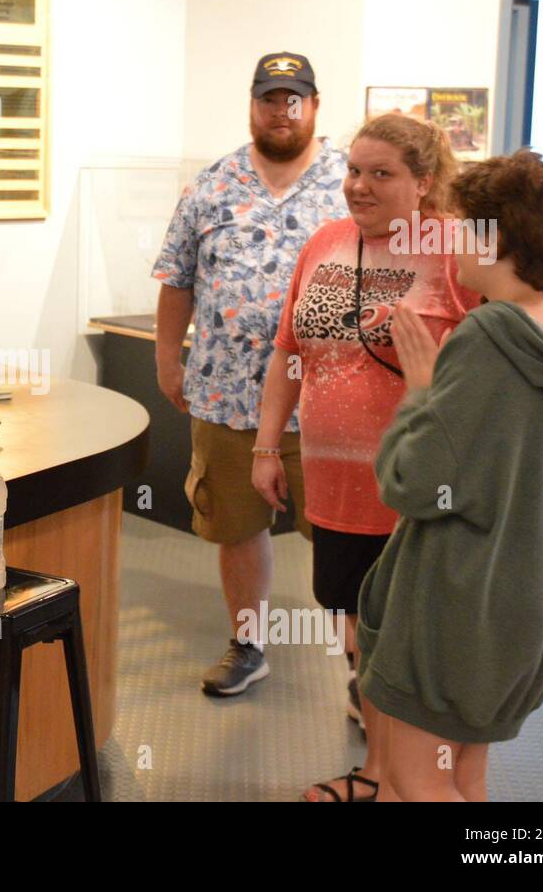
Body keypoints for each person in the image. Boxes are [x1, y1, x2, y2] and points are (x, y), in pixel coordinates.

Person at [360, 150, 543, 801]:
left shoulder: (488, 336)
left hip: (462, 605)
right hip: (530, 601)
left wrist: (419, 390)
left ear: (495, 238)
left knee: (416, 778)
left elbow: (411, 480)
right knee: (465, 773)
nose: (450, 244)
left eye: (463, 227)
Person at [253, 114, 478, 801]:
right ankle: (379, 774)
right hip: (334, 489)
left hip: (418, 495)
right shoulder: (325, 242)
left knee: (413, 653)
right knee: (361, 644)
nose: (359, 185)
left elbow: (488, 366)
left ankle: (422, 785)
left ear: (424, 182)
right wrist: (267, 445)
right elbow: (288, 351)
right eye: (354, 170)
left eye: (382, 174)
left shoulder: (455, 252)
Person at [151, 52, 349, 697]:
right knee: (235, 527)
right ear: (253, 103)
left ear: (314, 105)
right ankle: (247, 644)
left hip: (331, 405)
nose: (281, 111)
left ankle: (359, 671)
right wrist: (166, 358)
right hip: (226, 395)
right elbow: (177, 279)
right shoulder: (213, 184)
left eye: (294, 100)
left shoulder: (352, 182)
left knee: (345, 541)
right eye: (270, 99)